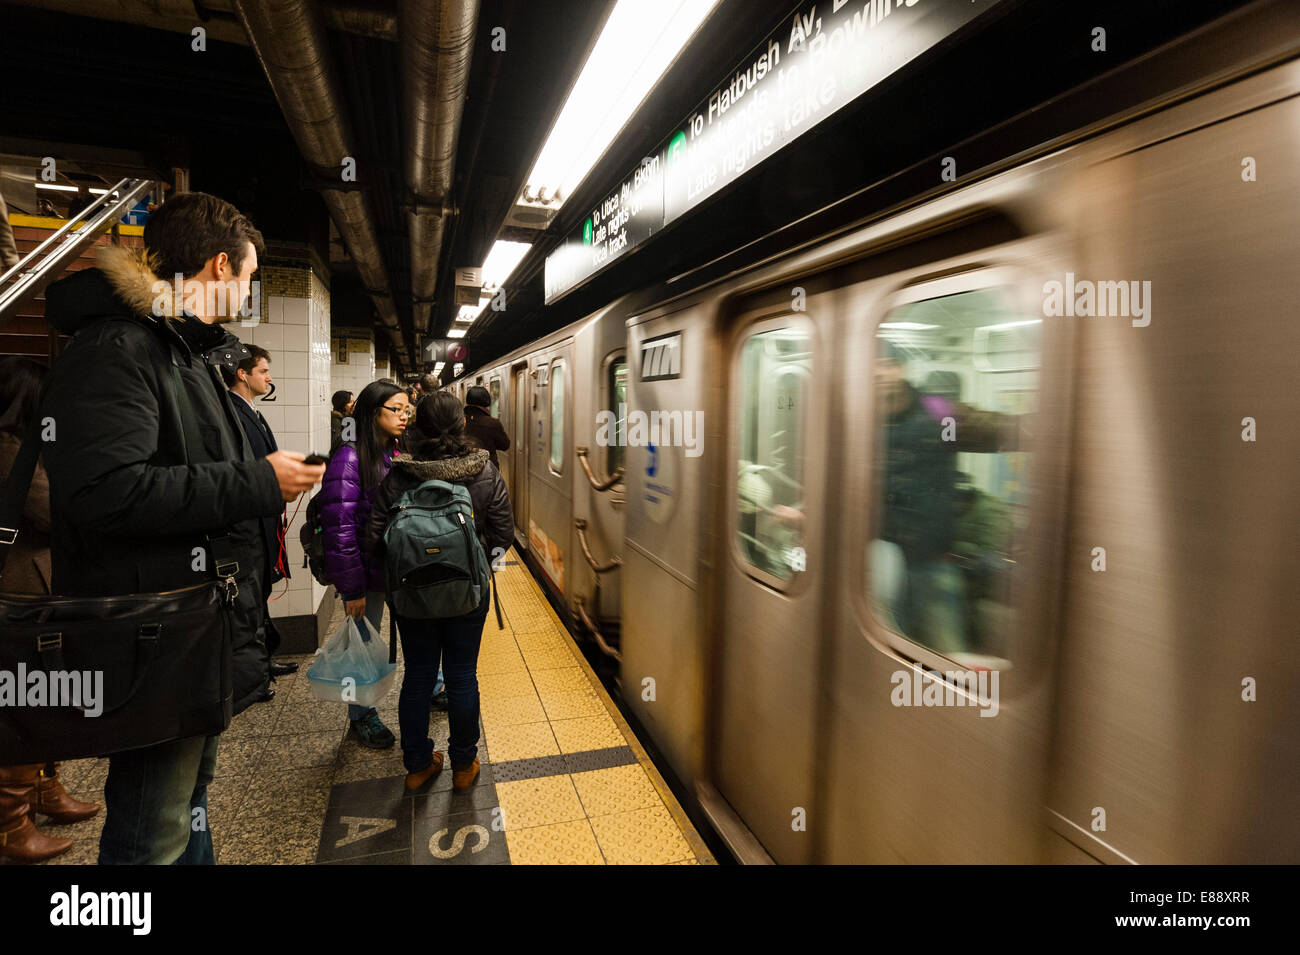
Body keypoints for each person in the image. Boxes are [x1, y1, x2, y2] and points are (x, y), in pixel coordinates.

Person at [38, 192, 325, 864]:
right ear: (220, 265)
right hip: (155, 635)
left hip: (191, 629)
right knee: (151, 829)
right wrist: (260, 481)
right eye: (250, 277)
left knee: (188, 800)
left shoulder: (183, 355)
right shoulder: (119, 349)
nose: (249, 293)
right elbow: (106, 492)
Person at [365, 392, 512, 792]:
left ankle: (417, 766)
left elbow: (374, 538)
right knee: (463, 676)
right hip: (467, 595)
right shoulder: (484, 472)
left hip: (412, 598)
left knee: (417, 677)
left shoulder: (399, 475)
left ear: (418, 426)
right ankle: (464, 765)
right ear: (462, 424)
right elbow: (503, 534)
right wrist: (476, 563)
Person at [0, 357, 101, 864]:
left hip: (38, 587)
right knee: (23, 703)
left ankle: (44, 790)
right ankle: (10, 824)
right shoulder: (9, 450)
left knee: (44, 697)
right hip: (18, 591)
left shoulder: (30, 446)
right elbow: (51, 511)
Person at [875, 341, 1025, 655]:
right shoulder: (859, 423)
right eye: (871, 366)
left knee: (947, 656)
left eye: (887, 364)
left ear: (900, 369)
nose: (879, 372)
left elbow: (989, 429)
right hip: (880, 562)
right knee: (885, 653)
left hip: (932, 563)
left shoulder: (936, 414)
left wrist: (1040, 429)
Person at [318, 380, 410, 748]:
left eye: (408, 410)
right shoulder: (350, 457)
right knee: (362, 644)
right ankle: (361, 715)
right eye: (397, 410)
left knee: (412, 633)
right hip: (366, 574)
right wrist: (351, 588)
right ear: (374, 413)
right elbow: (339, 528)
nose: (405, 417)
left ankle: (432, 686)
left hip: (394, 568)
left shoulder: (393, 452)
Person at [223, 343, 298, 686]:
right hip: (251, 523)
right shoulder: (234, 413)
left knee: (261, 588)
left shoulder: (251, 409)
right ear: (243, 374)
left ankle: (264, 662)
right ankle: (255, 672)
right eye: (263, 371)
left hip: (265, 518)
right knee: (252, 594)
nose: (269, 377)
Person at [463, 385, 510, 470]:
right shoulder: (492, 423)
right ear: (486, 400)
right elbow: (505, 445)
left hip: (464, 467)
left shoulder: (460, 420)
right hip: (488, 469)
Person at [329, 390, 354, 458]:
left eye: (353, 402)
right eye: (350, 402)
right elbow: (336, 445)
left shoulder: (348, 419)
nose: (353, 405)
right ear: (342, 404)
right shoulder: (335, 420)